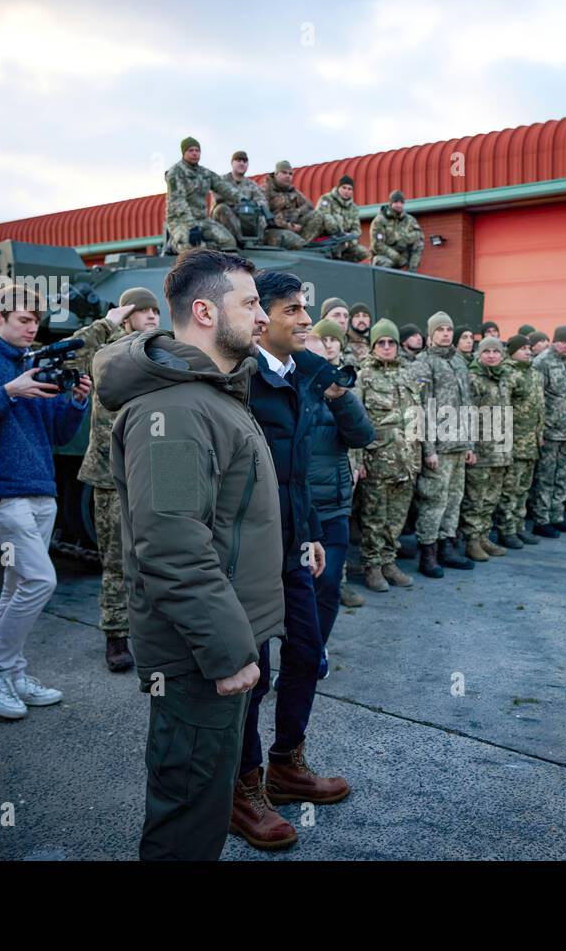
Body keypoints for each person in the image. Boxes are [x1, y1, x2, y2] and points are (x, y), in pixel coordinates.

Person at [98, 249, 275, 861]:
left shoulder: (211, 394)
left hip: (219, 635)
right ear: (203, 311)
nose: (262, 316)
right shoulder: (173, 411)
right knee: (188, 814)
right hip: (196, 655)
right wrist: (227, 651)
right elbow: (172, 543)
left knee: (204, 797)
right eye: (250, 303)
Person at [232, 269, 352, 851]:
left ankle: (286, 765)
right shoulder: (238, 377)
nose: (306, 320)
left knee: (308, 653)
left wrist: (310, 533)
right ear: (262, 319)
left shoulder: (299, 373)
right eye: (293, 310)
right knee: (252, 676)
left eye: (306, 310)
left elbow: (297, 470)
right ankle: (242, 786)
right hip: (249, 553)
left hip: (294, 545)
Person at [0, 284, 92, 719]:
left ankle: (13, 672)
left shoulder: (37, 363)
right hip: (1, 491)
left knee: (18, 584)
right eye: (23, 320)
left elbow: (57, 434)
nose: (33, 328)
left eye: (36, 321)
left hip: (41, 489)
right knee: (39, 581)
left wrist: (76, 402)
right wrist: (10, 391)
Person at [76, 288, 162, 672]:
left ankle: (154, 632)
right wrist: (107, 322)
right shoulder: (102, 351)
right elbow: (68, 357)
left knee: (159, 559)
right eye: (143, 311)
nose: (152, 317)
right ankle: (115, 635)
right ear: (126, 315)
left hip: (153, 475)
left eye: (156, 311)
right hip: (112, 475)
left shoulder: (162, 351)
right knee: (115, 561)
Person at [304, 317, 374, 670]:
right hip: (294, 510)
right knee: (294, 591)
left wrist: (340, 397)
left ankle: (316, 650)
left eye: (324, 362)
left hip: (331, 509)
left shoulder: (336, 396)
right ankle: (298, 651)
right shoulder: (284, 394)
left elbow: (362, 435)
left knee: (328, 586)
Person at [357, 320, 423, 591]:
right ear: (373, 346)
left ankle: (388, 562)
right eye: (381, 343)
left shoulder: (409, 374)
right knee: (374, 519)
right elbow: (355, 421)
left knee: (396, 519)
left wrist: (422, 452)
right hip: (377, 461)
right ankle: (372, 567)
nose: (386, 347)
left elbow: (418, 417)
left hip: (406, 461)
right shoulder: (364, 376)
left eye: (391, 343)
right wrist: (358, 460)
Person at [410, 311, 477, 575]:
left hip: (458, 445)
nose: (446, 334)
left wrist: (470, 443)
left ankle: (447, 546)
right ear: (430, 334)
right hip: (438, 448)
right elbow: (419, 409)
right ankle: (428, 554)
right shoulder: (423, 363)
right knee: (433, 502)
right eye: (440, 330)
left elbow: (467, 403)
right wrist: (428, 449)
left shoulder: (459, 361)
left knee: (454, 499)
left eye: (449, 329)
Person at [460, 337, 513, 561]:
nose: (491, 355)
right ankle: (471, 540)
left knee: (491, 497)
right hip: (480, 449)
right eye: (486, 352)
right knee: (475, 498)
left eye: (496, 352)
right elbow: (466, 414)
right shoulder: (472, 378)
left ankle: (483, 536)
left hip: (500, 449)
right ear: (479, 354)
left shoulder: (504, 378)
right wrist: (469, 446)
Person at [529, 326, 566, 537]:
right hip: (551, 432)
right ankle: (541, 520)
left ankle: (557, 516)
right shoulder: (542, 362)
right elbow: (537, 400)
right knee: (546, 477)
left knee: (563, 476)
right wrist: (540, 430)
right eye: (563, 341)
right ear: (554, 341)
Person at [493, 334, 544, 548]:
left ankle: (519, 525)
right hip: (513, 442)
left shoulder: (535, 374)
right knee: (510, 489)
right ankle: (506, 529)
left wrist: (539, 433)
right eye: (522, 348)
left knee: (523, 488)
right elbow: (502, 410)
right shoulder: (508, 374)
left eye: (528, 348)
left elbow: (540, 407)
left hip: (531, 442)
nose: (527, 351)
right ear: (512, 351)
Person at [164, 137, 241, 253]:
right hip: (180, 221)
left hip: (202, 219)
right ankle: (174, 244)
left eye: (197, 150)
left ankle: (226, 268)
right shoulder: (175, 173)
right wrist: (191, 226)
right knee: (195, 248)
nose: (195, 153)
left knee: (228, 242)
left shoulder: (205, 173)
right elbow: (178, 202)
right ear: (184, 152)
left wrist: (242, 198)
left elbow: (223, 186)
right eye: (191, 150)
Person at [304, 175, 371, 263]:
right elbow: (324, 215)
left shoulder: (354, 208)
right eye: (344, 188)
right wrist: (339, 235)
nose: (346, 191)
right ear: (338, 188)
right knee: (320, 216)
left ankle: (340, 264)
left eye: (349, 189)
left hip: (344, 241)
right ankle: (309, 247)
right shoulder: (327, 199)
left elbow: (356, 229)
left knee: (363, 252)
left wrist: (349, 241)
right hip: (325, 238)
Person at [211, 150, 270, 245]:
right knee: (222, 208)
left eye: (245, 161)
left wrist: (256, 206)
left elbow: (261, 200)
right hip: (224, 222)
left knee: (261, 211)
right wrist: (242, 204)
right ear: (232, 163)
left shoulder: (251, 184)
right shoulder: (221, 180)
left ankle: (257, 242)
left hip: (245, 221)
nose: (242, 163)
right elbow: (219, 197)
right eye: (239, 160)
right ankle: (240, 242)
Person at [260, 160, 315, 249]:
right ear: (276, 174)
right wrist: (288, 226)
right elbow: (264, 217)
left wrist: (298, 211)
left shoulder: (292, 191)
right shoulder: (264, 190)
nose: (288, 176)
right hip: (272, 231)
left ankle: (308, 243)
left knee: (317, 215)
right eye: (284, 173)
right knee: (299, 244)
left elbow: (310, 206)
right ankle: (304, 246)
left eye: (290, 174)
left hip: (292, 226)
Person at [370, 190, 424, 272]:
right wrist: (397, 257)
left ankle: (412, 272)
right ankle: (386, 283)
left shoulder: (409, 220)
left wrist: (405, 239)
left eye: (401, 202)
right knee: (381, 261)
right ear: (391, 203)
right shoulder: (380, 220)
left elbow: (419, 235)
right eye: (396, 202)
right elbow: (377, 245)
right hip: (386, 257)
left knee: (419, 243)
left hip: (403, 255)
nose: (399, 205)